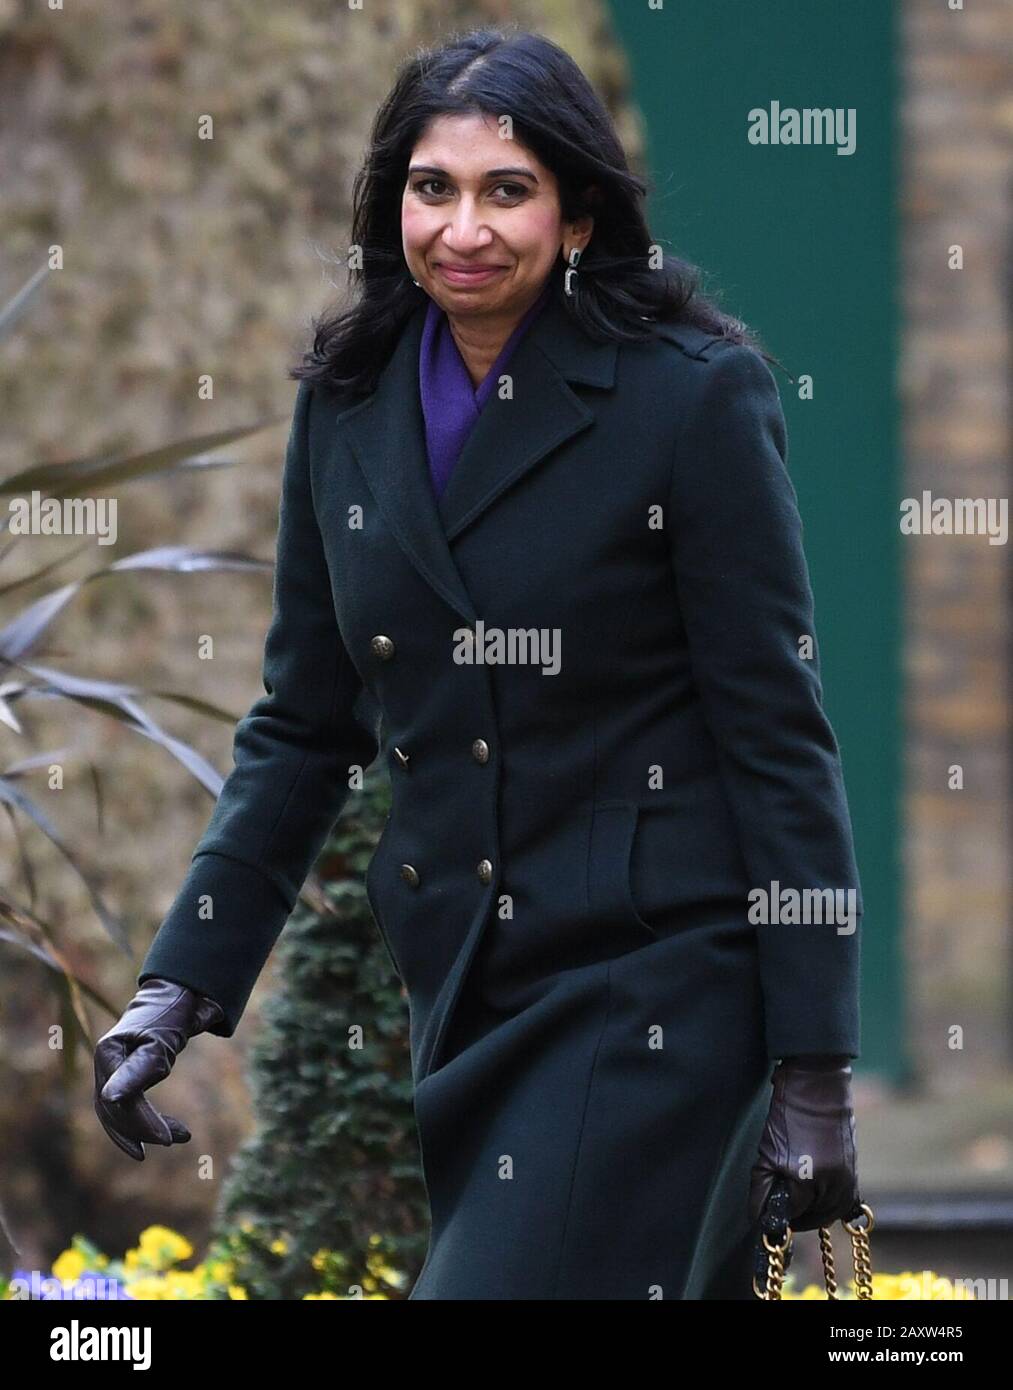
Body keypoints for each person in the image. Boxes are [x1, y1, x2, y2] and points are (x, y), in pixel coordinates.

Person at [94, 26, 863, 1300]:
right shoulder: (344, 404)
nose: (463, 226)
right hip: (462, 982)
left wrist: (816, 1071)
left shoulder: (690, 397)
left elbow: (776, 736)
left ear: (573, 215)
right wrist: (180, 985)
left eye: (506, 191)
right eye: (431, 187)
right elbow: (301, 723)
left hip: (660, 980)